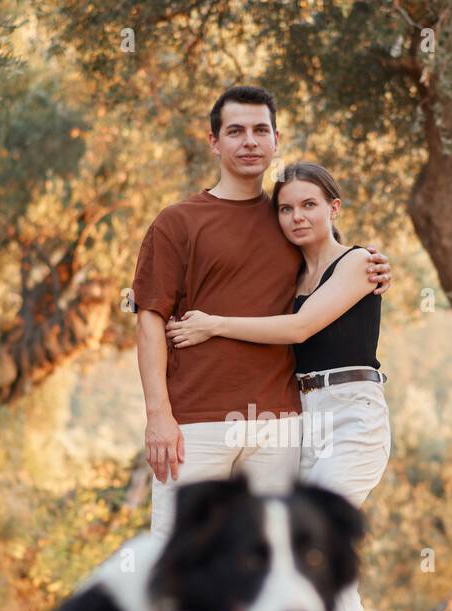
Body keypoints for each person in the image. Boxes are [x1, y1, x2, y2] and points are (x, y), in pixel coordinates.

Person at [166, 162, 404, 611]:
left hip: (354, 414)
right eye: (286, 208)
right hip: (305, 418)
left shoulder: (358, 262)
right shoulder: (294, 270)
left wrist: (213, 325)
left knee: (316, 545)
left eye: (309, 205)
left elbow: (302, 327)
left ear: (334, 207)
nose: (297, 217)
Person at [131, 86, 391, 544]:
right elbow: (149, 318)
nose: (249, 141)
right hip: (197, 423)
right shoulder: (178, 222)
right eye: (235, 131)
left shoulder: (288, 220)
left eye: (259, 130)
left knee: (268, 571)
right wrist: (158, 416)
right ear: (214, 142)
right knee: (175, 564)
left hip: (281, 428)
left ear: (275, 140)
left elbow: (329, 265)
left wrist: (376, 267)